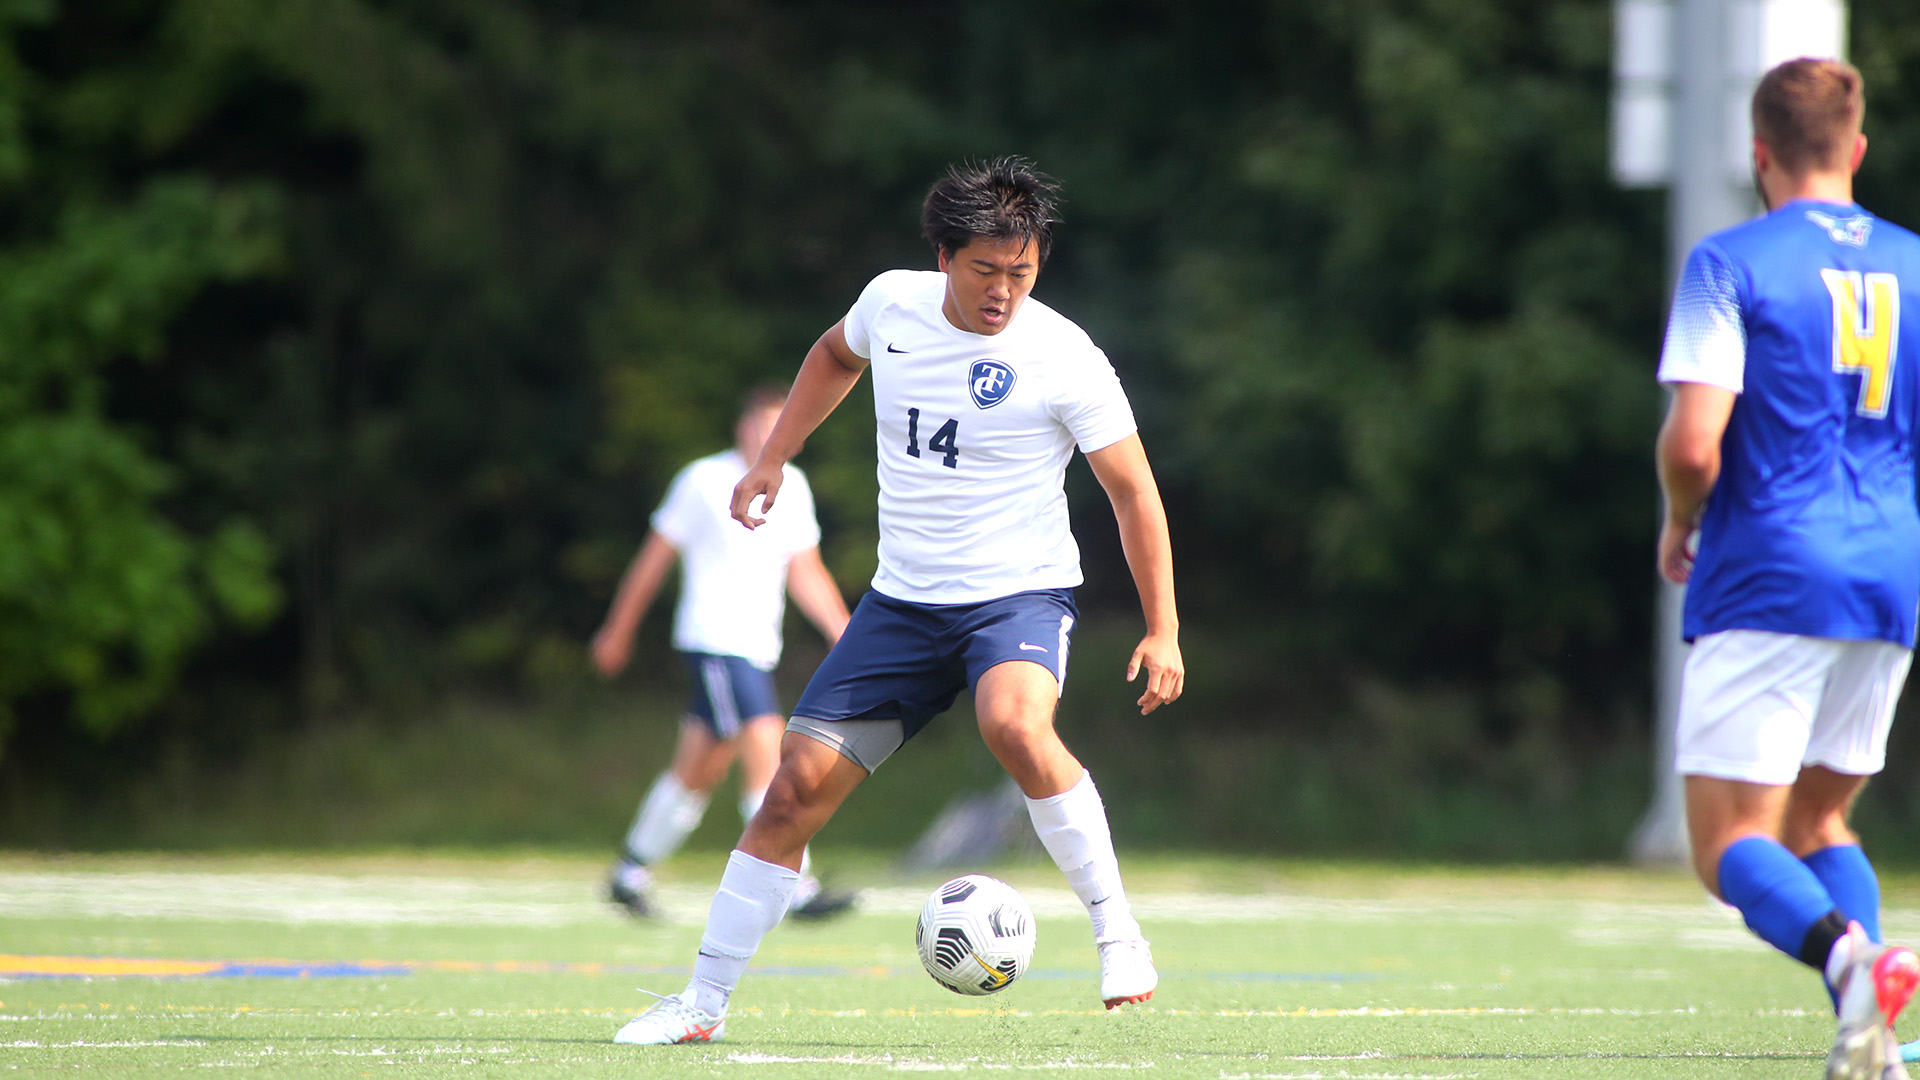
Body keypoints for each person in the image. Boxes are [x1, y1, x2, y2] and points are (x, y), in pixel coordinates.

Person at [613, 157, 1184, 1046]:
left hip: (1017, 599)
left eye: (1022, 273)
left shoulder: (1064, 355)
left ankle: (1119, 935)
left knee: (1016, 727)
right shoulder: (892, 304)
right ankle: (699, 1005)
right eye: (986, 270)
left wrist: (1163, 627)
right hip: (903, 605)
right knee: (791, 792)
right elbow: (833, 355)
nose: (1003, 292)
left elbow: (1133, 494)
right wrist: (774, 459)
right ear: (944, 257)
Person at [1656, 58, 1920, 1080]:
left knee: (1729, 846)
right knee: (1820, 819)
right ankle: (1873, 1038)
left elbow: (1692, 446)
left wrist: (1683, 520)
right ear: (1856, 151)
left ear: (1758, 153)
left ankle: (1855, 962)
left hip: (1772, 563)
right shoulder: (1913, 263)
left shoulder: (1732, 263)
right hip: (1891, 571)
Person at [592, 385, 854, 922]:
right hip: (714, 643)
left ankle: (628, 873)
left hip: (757, 648)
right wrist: (618, 630)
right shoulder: (704, 479)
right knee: (767, 742)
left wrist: (844, 633)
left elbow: (806, 571)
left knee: (696, 772)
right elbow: (653, 559)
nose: (768, 435)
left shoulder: (796, 489)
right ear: (742, 428)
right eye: (760, 424)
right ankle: (795, 884)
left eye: (780, 426)